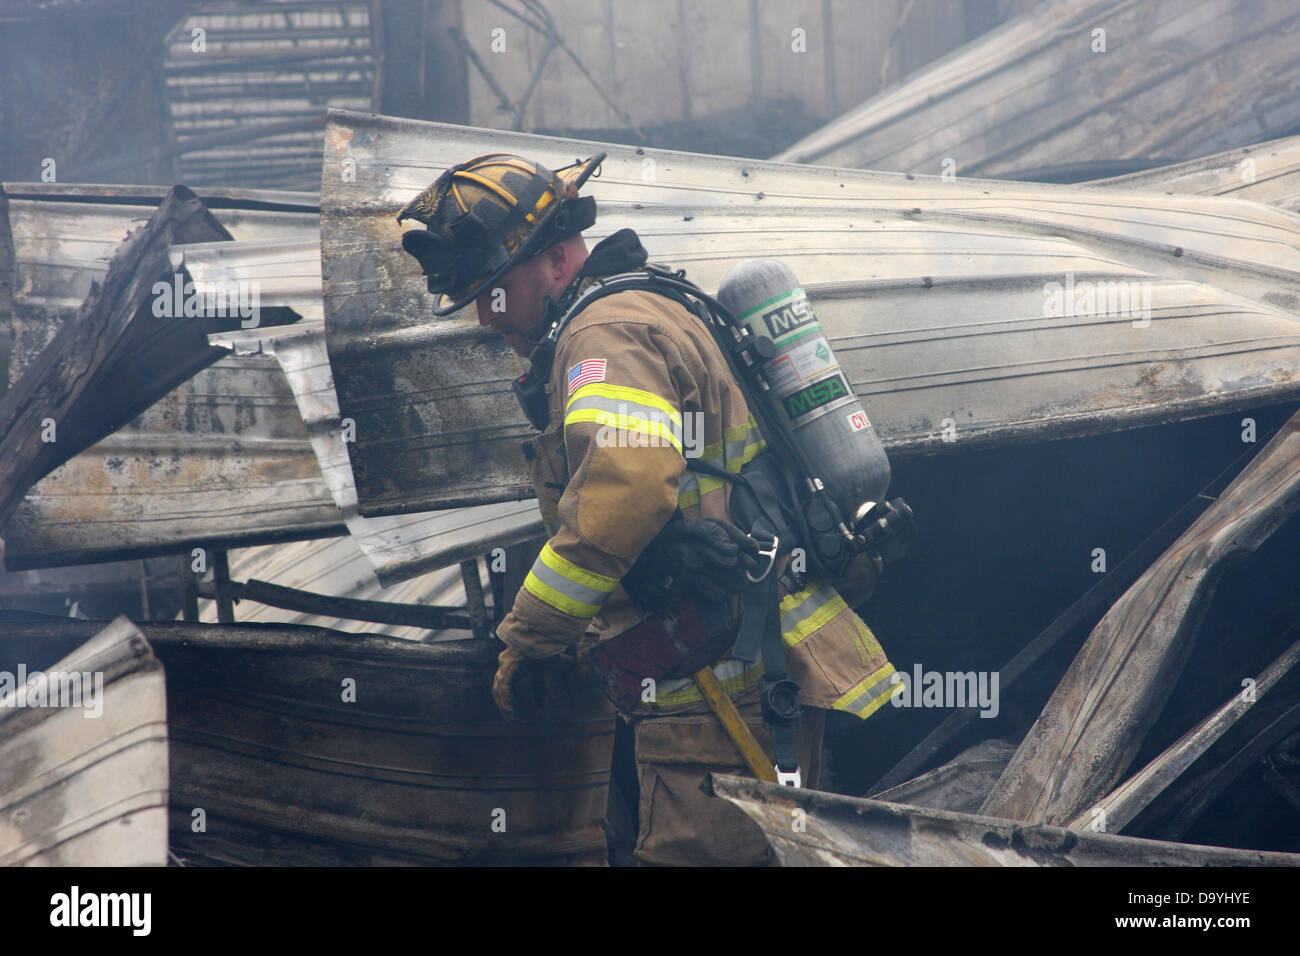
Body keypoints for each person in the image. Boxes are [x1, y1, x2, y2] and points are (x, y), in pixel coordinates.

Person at [398, 151, 898, 866]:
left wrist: (532, 636)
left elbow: (625, 486)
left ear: (559, 258)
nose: (488, 314)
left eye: (497, 288)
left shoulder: (603, 335)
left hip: (720, 686)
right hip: (736, 670)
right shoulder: (651, 303)